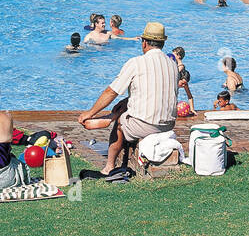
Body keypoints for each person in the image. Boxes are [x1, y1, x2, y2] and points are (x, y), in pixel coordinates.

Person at [77, 22, 179, 176]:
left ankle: (109, 167)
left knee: (120, 124)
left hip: (146, 125)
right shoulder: (172, 65)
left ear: (144, 42)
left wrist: (89, 113)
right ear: (162, 43)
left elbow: (111, 92)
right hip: (169, 124)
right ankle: (114, 115)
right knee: (125, 105)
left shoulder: (136, 63)